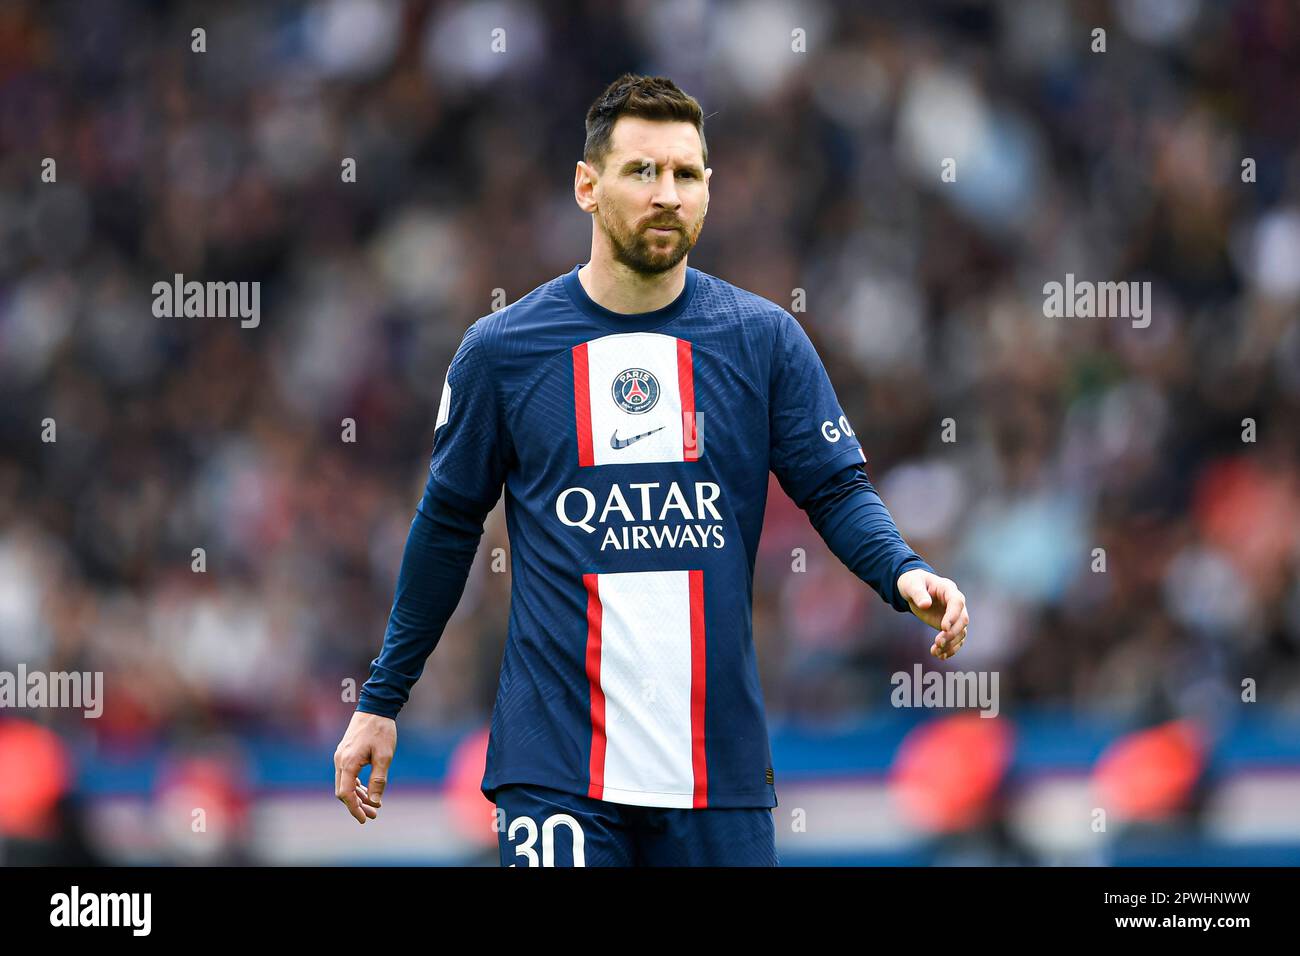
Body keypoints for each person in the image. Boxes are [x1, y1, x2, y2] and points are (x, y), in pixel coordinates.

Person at [333, 73, 969, 866]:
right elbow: (447, 526)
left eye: (686, 173)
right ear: (587, 187)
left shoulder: (762, 341)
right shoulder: (502, 352)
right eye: (643, 171)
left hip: (717, 771)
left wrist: (902, 571)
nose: (667, 193)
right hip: (557, 768)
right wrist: (382, 700)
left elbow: (836, 488)